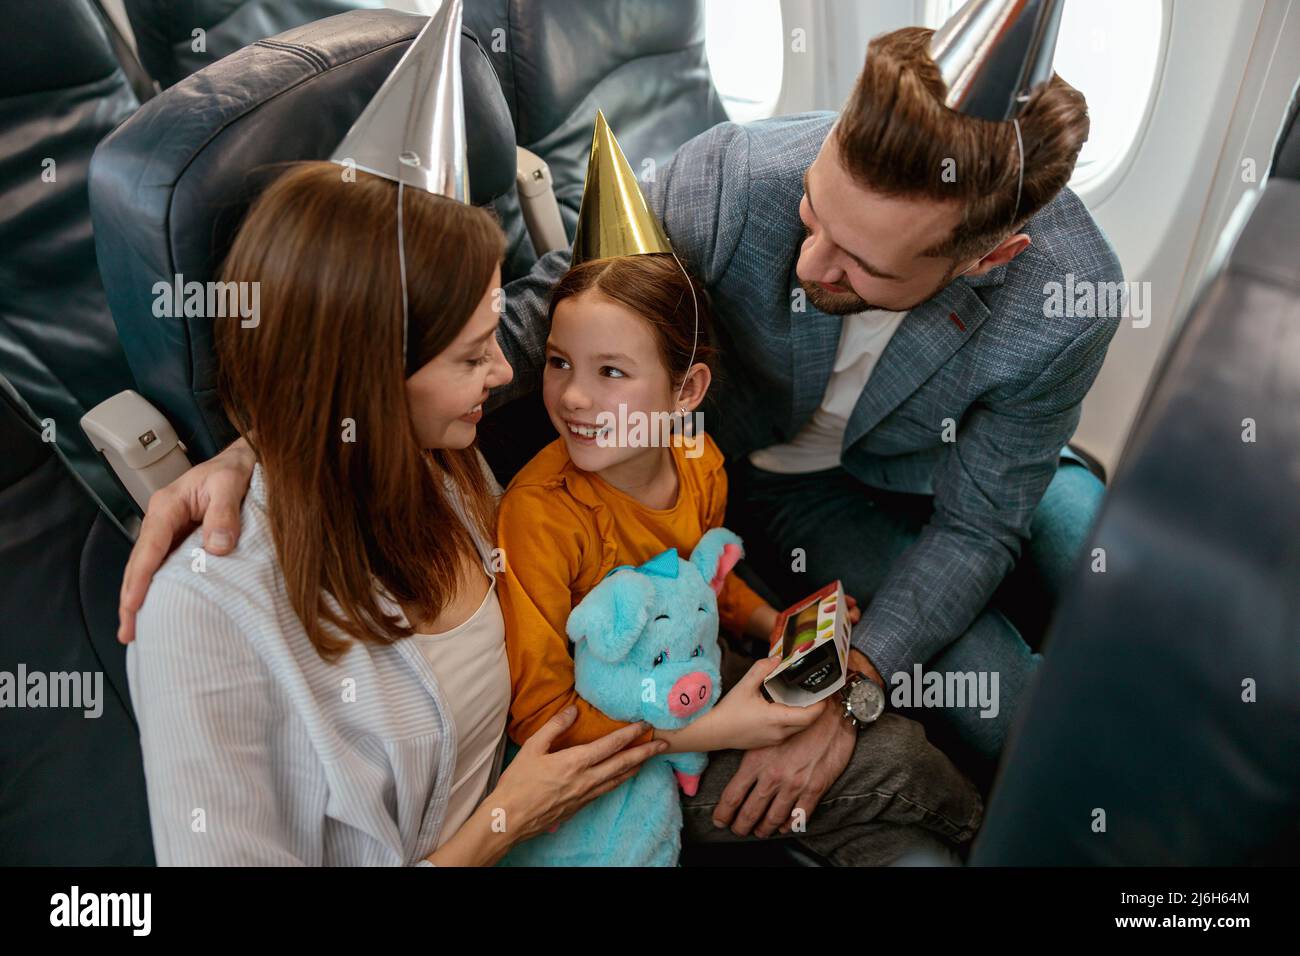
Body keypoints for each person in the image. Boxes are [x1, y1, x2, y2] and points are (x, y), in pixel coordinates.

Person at [121, 18, 1120, 837]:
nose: (811, 265)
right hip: (743, 471)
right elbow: (537, 310)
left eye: (861, 266)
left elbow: (977, 526)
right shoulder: (729, 188)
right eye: (813, 213)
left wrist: (848, 685)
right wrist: (271, 439)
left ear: (987, 260)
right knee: (1001, 695)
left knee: (1065, 618)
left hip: (916, 483)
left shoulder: (1061, 300)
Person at [128, 161, 668, 865]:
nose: (505, 372)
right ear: (369, 380)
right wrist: (505, 821)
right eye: (474, 357)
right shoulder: (203, 616)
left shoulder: (439, 457)